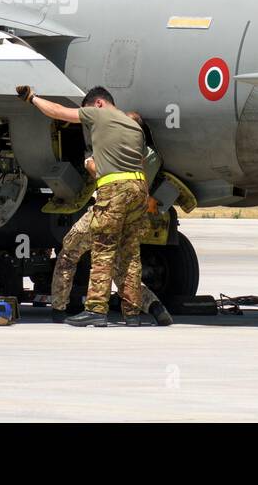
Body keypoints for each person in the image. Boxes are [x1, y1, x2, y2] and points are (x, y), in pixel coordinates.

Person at [17, 84, 147, 327]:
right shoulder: (134, 127)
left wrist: (32, 98)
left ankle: (96, 310)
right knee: (130, 254)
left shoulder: (98, 112)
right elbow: (135, 163)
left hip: (114, 191)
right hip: (138, 190)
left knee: (103, 249)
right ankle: (132, 314)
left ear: (98, 103)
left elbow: (57, 111)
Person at [49, 111, 175, 326]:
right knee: (125, 266)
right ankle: (150, 307)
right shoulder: (151, 156)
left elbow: (106, 179)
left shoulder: (117, 151)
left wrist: (91, 165)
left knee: (70, 253)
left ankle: (60, 308)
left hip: (110, 210)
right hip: (136, 213)